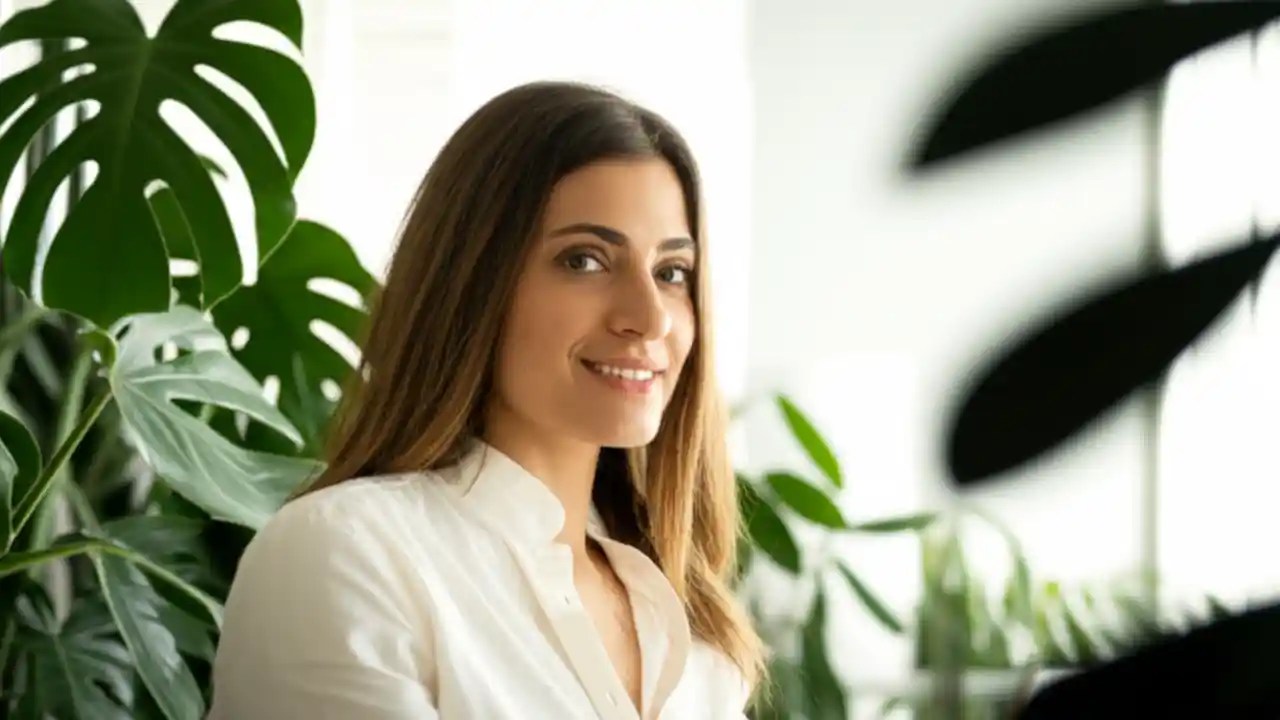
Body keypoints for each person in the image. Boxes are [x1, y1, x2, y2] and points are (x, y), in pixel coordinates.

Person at [208, 80, 765, 719]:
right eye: (585, 261)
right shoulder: (347, 555)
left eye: (672, 273)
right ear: (475, 282)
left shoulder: (691, 631)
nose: (649, 317)